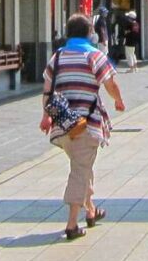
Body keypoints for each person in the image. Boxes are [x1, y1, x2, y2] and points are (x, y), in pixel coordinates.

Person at [41, 14, 126, 239]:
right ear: (90, 33)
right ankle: (71, 224)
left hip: (62, 126)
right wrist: (118, 100)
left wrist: (45, 116)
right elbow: (110, 82)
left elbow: (47, 91)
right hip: (86, 124)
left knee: (82, 165)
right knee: (80, 170)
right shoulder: (94, 55)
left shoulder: (57, 58)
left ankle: (91, 210)